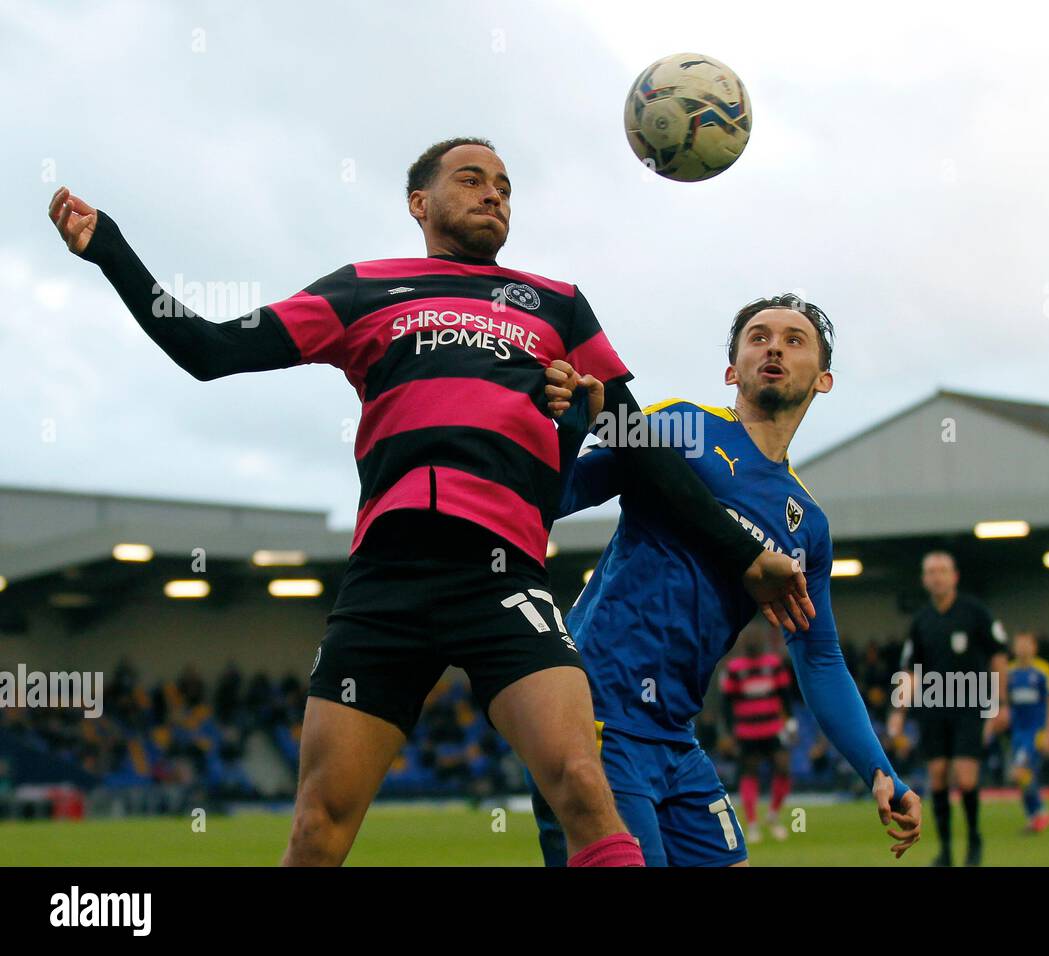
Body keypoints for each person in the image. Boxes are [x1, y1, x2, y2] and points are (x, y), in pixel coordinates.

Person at [48, 137, 812, 867]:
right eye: (472, 179)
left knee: (586, 787)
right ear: (419, 201)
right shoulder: (363, 288)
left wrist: (743, 553)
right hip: (388, 578)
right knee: (318, 828)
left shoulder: (559, 307)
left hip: (505, 578)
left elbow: (641, 449)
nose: (494, 194)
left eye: (506, 186)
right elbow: (210, 350)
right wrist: (110, 248)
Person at [530, 294, 921, 866]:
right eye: (759, 337)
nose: (775, 348)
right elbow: (557, 498)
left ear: (825, 380)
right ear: (732, 369)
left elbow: (818, 657)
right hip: (593, 716)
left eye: (795, 340)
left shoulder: (806, 523)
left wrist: (879, 769)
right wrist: (567, 422)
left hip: (674, 738)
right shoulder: (680, 426)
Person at [888, 551, 1008, 866]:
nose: (937, 576)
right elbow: (911, 671)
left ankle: (974, 841)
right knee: (938, 776)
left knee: (966, 778)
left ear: (954, 576)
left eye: (942, 570)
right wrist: (899, 712)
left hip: (969, 705)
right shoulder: (922, 621)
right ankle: (945, 850)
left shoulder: (975, 613)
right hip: (933, 707)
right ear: (924, 579)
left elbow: (998, 656)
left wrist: (1000, 702)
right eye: (931, 571)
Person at [720, 622, 796, 842]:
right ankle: (752, 824)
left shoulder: (774, 664)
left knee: (783, 767)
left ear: (762, 642)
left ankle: (773, 816)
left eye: (756, 639)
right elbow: (726, 703)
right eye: (749, 639)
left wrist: (790, 722)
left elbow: (785, 696)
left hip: (772, 728)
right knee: (749, 773)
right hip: (747, 731)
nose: (753, 642)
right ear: (744, 643)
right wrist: (730, 731)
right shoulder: (735, 669)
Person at [1004, 631, 1049, 833]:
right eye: (1019, 644)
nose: (1022, 648)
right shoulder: (1009, 672)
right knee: (1023, 775)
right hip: (1017, 732)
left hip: (1036, 732)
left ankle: (1040, 812)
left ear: (1034, 647)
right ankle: (1035, 816)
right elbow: (1004, 701)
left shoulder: (1044, 671)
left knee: (1019, 772)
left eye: (1026, 644)